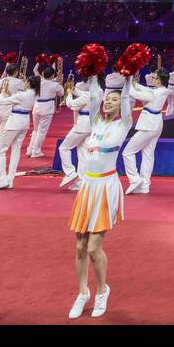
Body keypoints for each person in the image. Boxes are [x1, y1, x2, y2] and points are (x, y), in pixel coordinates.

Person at [67, 72, 134, 320]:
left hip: (106, 188)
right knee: (80, 247)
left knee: (95, 248)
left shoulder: (123, 124)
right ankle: (82, 293)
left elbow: (126, 98)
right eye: (107, 99)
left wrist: (128, 77)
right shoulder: (96, 122)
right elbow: (95, 95)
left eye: (114, 100)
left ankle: (102, 291)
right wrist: (93, 72)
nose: (108, 102)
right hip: (87, 188)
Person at [122, 70, 168, 195]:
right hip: (157, 125)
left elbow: (136, 94)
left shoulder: (154, 93)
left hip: (148, 126)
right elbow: (147, 90)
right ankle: (144, 186)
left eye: (155, 77)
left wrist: (128, 81)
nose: (152, 79)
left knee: (127, 152)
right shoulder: (163, 90)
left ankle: (134, 179)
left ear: (159, 80)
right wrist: (136, 83)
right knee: (148, 155)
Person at [0, 65, 33, 190]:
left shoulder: (0, 82)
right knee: (15, 149)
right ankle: (10, 179)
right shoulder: (27, 88)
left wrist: (4, 93)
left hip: (10, 116)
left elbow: (2, 100)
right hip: (20, 118)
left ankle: (2, 179)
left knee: (0, 149)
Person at [59, 74, 101, 189]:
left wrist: (68, 94)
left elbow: (71, 104)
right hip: (92, 125)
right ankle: (82, 181)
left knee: (63, 148)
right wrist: (73, 89)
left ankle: (70, 172)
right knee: (82, 153)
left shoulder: (87, 95)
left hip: (82, 124)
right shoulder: (100, 91)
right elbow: (84, 94)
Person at [27, 59, 64, 158]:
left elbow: (36, 71)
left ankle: (30, 149)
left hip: (37, 107)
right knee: (41, 131)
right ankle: (36, 151)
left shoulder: (39, 81)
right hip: (47, 108)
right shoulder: (54, 84)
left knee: (35, 130)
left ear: (43, 74)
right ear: (52, 75)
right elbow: (62, 93)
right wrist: (59, 82)